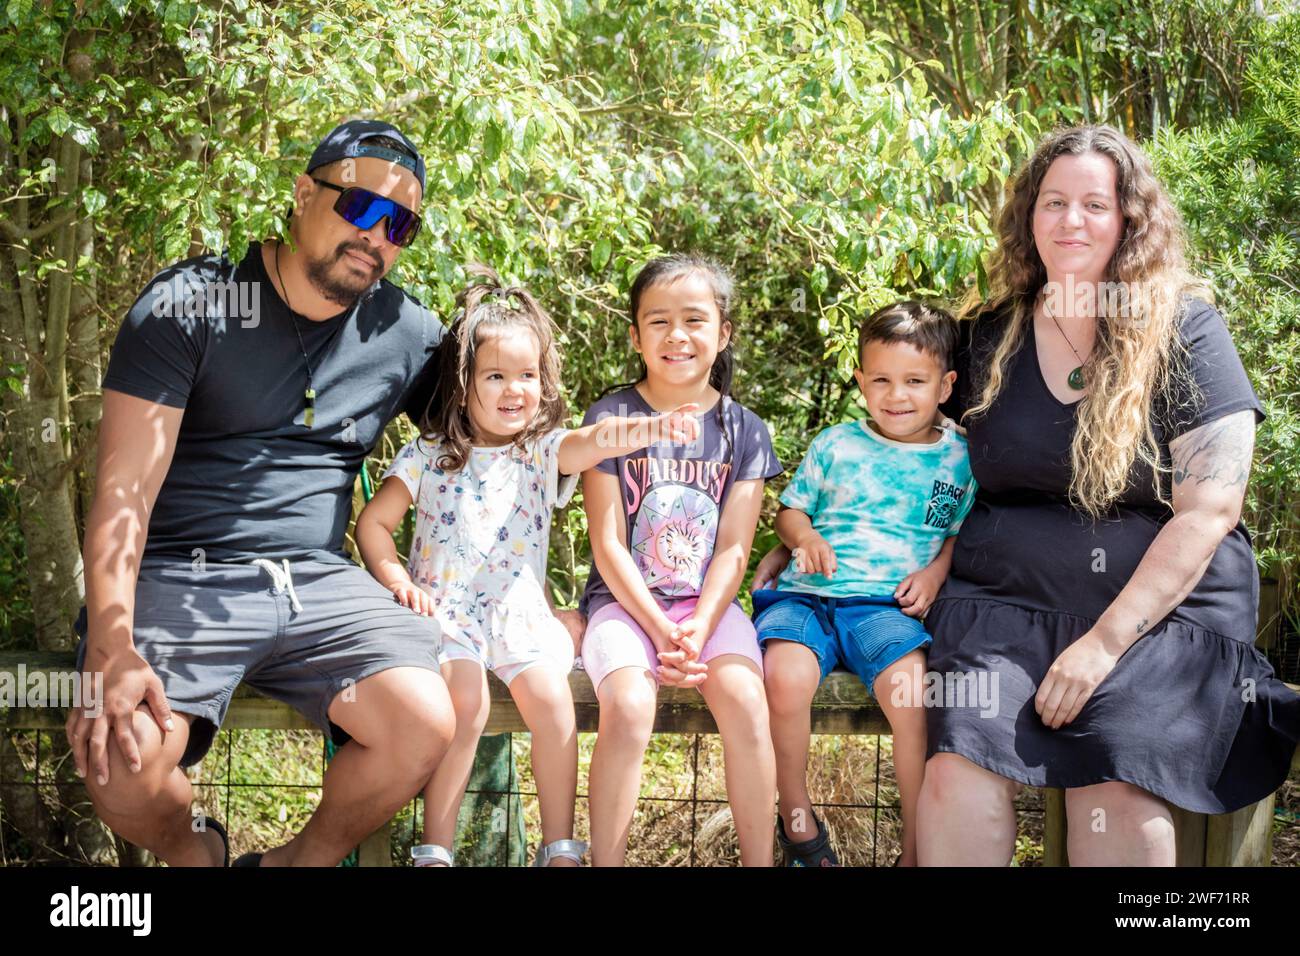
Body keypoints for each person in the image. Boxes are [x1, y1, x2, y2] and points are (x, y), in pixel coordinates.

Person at [65, 119, 458, 867]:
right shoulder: (195, 306)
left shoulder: (405, 331)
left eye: (400, 224)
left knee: (423, 722)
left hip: (318, 584)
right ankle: (195, 851)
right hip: (181, 575)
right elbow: (123, 494)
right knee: (123, 760)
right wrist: (111, 642)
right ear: (304, 193)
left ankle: (291, 866)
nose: (377, 236)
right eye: (361, 208)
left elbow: (505, 434)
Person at [906, 124, 1299, 865]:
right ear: (1029, 217)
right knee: (957, 770)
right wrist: (804, 539)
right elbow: (914, 458)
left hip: (1156, 619)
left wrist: (1102, 647)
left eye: (1095, 203)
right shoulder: (989, 334)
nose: (1071, 221)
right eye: (1053, 202)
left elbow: (1212, 508)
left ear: (1129, 220)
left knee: (1114, 779)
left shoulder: (1185, 328)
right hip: (1002, 608)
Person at [356, 267, 700, 867]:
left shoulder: (540, 452)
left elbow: (595, 441)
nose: (515, 390)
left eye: (528, 375)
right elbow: (373, 525)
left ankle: (561, 848)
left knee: (552, 701)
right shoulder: (430, 454)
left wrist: (651, 426)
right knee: (467, 703)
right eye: (496, 376)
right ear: (463, 385)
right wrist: (397, 580)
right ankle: (434, 848)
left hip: (519, 618)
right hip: (445, 617)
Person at [753, 301, 975, 867]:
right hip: (809, 596)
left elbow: (957, 535)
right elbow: (790, 512)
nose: (895, 395)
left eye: (914, 382)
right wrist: (803, 539)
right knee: (783, 677)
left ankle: (916, 846)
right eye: (880, 380)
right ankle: (797, 817)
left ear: (945, 385)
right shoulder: (837, 444)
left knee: (912, 695)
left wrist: (934, 572)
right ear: (860, 381)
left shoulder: (959, 460)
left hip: (886, 607)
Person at [578, 254, 783, 866]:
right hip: (622, 605)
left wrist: (696, 623)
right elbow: (608, 543)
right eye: (658, 321)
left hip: (708, 608)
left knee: (748, 702)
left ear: (722, 334)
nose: (677, 335)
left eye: (694, 319)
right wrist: (658, 626)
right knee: (630, 704)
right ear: (636, 335)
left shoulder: (745, 431)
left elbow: (734, 548)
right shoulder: (609, 420)